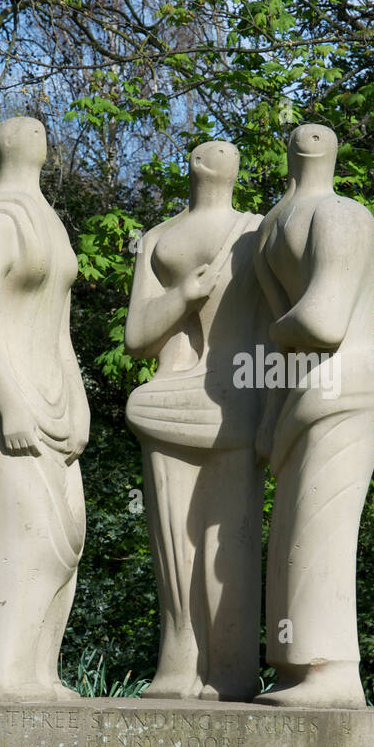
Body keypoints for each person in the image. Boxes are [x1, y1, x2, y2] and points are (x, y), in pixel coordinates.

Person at [0, 117, 90, 703]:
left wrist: (75, 403)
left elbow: (60, 329)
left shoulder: (48, 222)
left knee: (66, 542)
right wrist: (10, 406)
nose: (32, 133)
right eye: (18, 130)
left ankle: (36, 676)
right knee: (23, 534)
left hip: (48, 404)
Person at [254, 123, 374, 709]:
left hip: (347, 386)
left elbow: (324, 319)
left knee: (321, 531)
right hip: (305, 391)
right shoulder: (272, 225)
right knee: (293, 530)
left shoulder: (344, 216)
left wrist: (274, 333)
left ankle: (332, 673)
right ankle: (297, 668)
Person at [125, 141, 266, 701]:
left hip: (237, 403)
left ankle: (230, 669)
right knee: (171, 544)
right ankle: (178, 664)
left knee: (227, 540)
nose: (208, 158)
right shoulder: (159, 238)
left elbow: (280, 326)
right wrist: (184, 293)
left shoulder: (259, 232)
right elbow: (138, 339)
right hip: (168, 398)